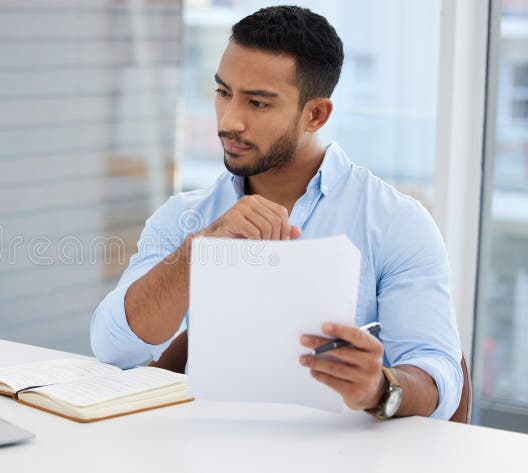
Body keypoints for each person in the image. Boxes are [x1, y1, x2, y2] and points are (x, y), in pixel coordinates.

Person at [90, 5, 462, 420]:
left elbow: (439, 376)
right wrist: (199, 253)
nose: (229, 120)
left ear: (316, 114)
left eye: (258, 104)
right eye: (223, 92)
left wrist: (379, 388)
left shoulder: (396, 223)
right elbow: (113, 348)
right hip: (201, 451)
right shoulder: (184, 217)